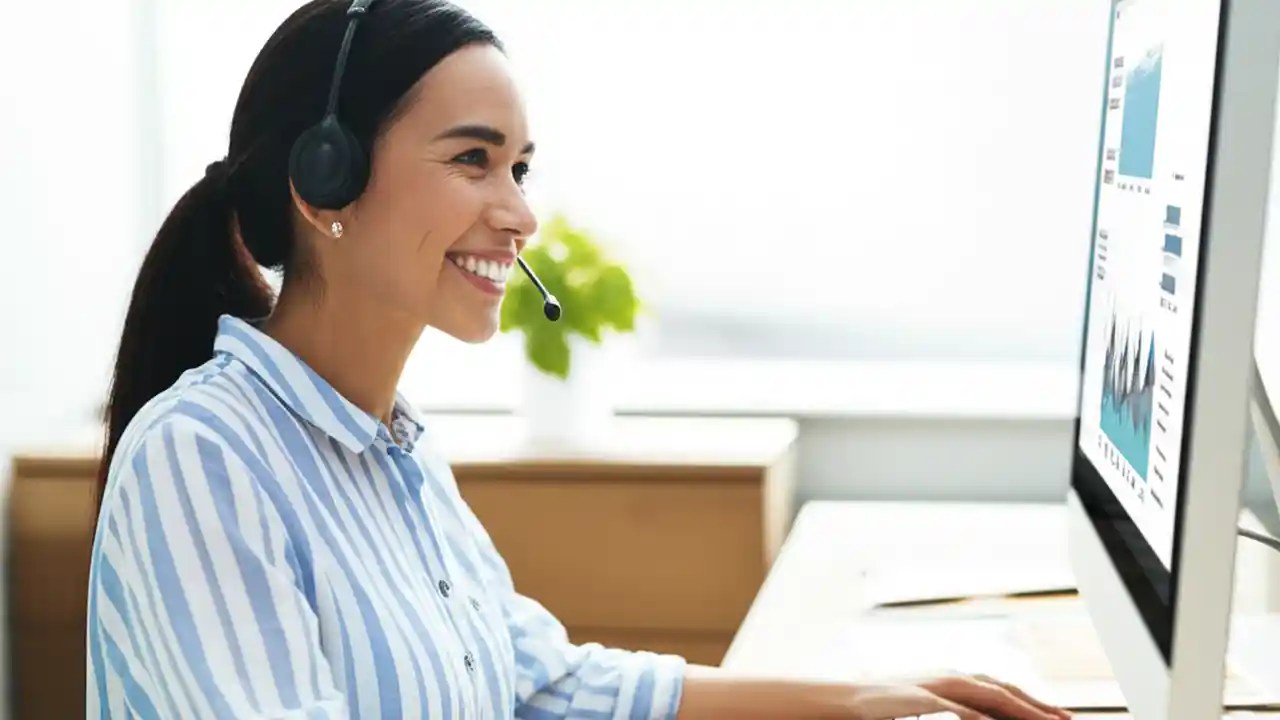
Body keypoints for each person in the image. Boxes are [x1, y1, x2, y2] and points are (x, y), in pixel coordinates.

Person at [85, 1, 1073, 718]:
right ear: (323, 182)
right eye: (472, 160)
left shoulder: (397, 456)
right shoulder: (203, 457)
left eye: (520, 168)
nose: (519, 213)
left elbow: (542, 684)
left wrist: (863, 698)